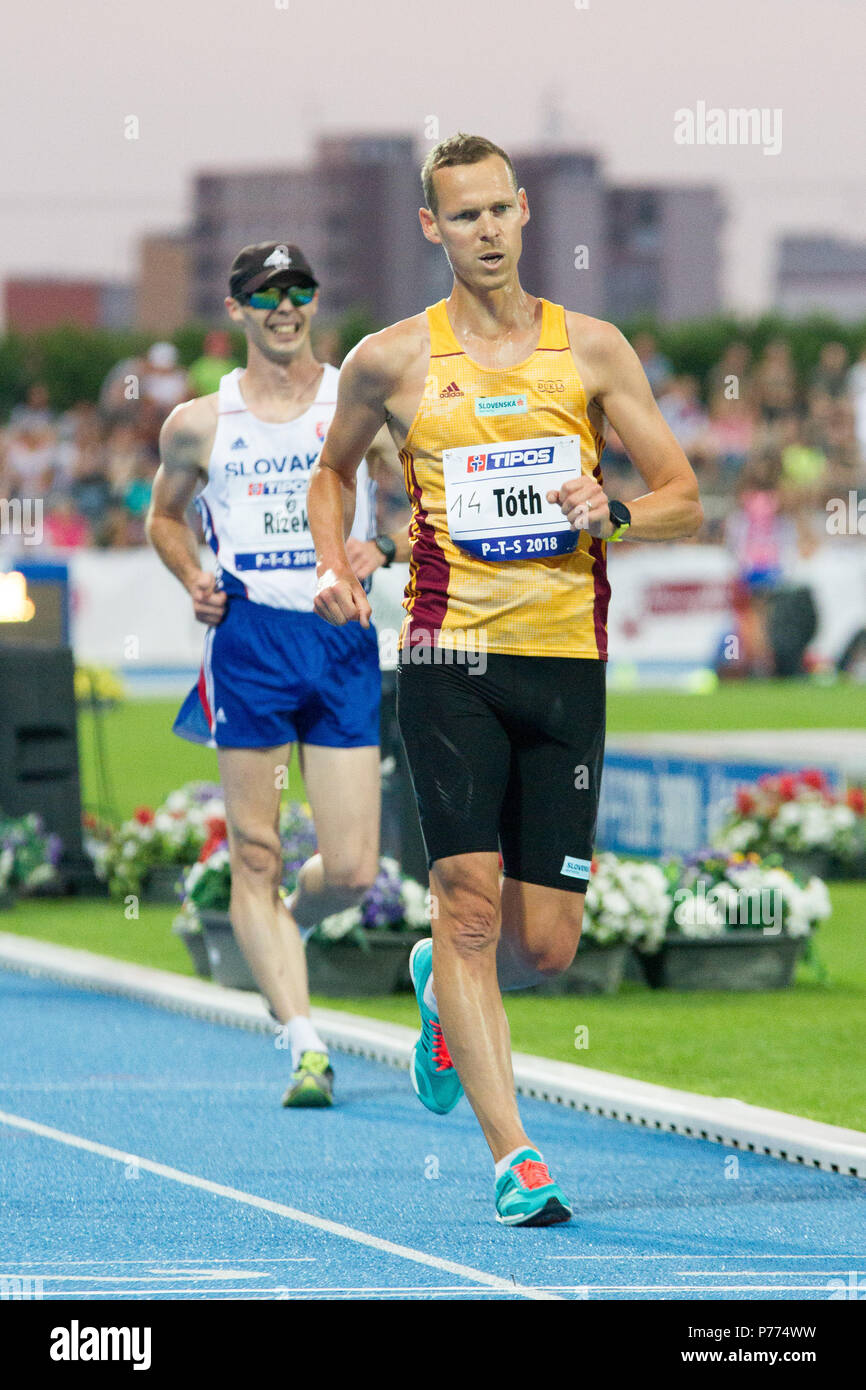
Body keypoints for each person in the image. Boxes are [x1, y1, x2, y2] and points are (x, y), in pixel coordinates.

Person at [308, 133, 703, 1225]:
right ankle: (515, 1155)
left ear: (523, 213)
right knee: (471, 904)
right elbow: (330, 476)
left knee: (545, 943)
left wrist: (613, 509)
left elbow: (683, 493)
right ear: (431, 228)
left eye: (497, 210)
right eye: (460, 216)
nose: (483, 231)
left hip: (565, 663)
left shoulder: (593, 351)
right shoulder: (389, 361)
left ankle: (439, 981)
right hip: (449, 659)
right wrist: (335, 554)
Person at [147, 241, 398, 1107]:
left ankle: (281, 919)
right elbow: (164, 519)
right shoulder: (198, 423)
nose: (284, 307)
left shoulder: (355, 397)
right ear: (237, 309)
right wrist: (193, 578)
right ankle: (303, 1041)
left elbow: (412, 491)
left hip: (340, 636)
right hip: (248, 639)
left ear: (314, 301)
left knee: (358, 869)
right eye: (266, 294)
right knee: (254, 848)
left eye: (298, 291)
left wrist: (385, 544)